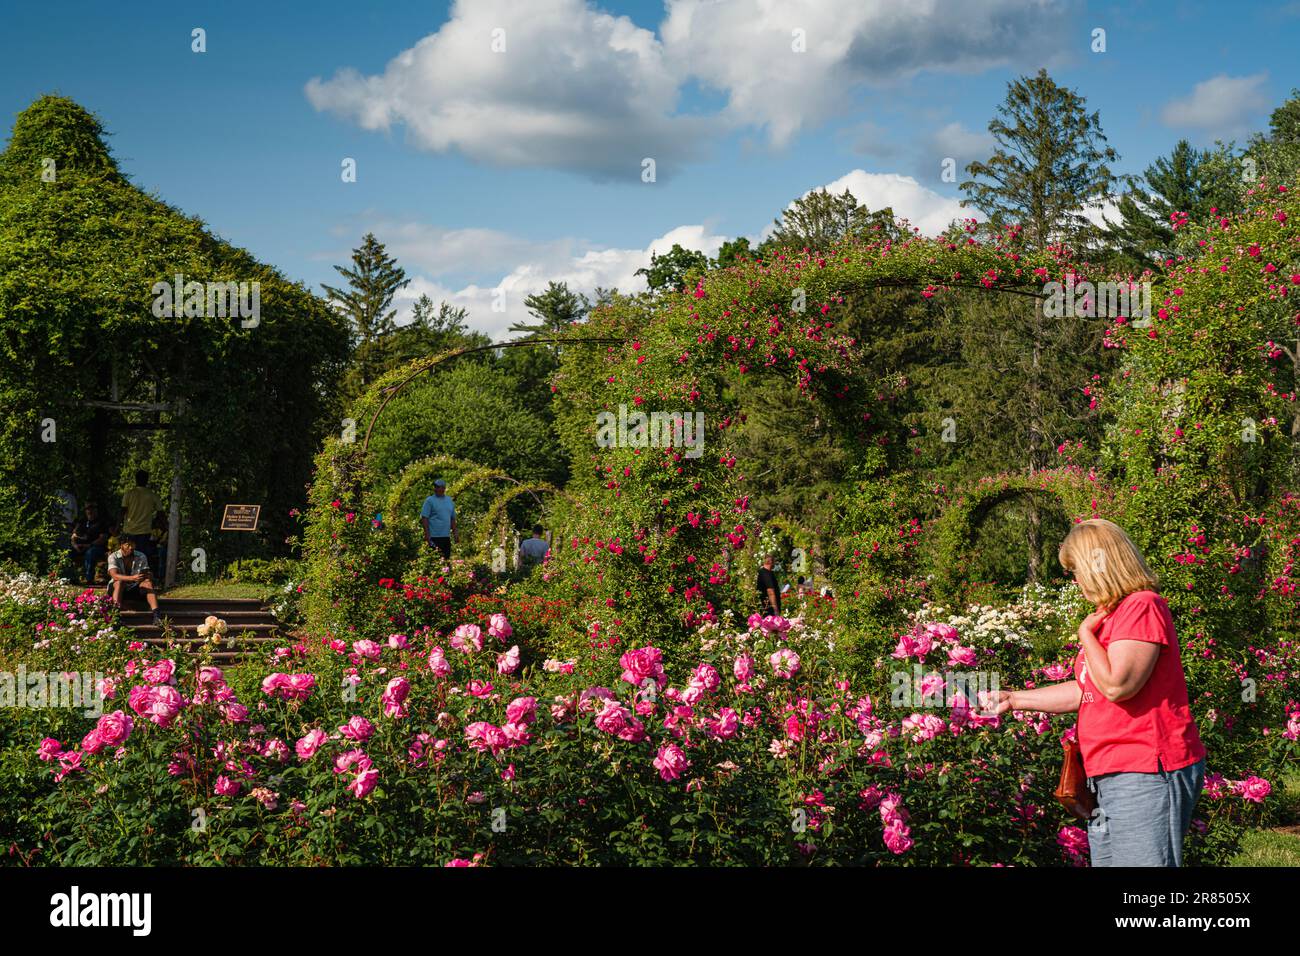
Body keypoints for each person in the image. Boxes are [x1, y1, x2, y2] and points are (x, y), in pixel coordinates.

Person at [992, 519, 1206, 867]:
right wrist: (1015, 699)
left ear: (1098, 564)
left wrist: (1085, 635)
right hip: (1109, 773)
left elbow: (1118, 685)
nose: (1075, 580)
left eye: (1076, 570)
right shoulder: (1110, 616)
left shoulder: (1142, 606)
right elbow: (1088, 688)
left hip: (1146, 768)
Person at [107, 537, 162, 625]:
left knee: (148, 583)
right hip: (116, 588)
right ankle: (115, 615)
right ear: (121, 546)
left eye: (132, 544)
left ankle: (157, 615)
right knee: (119, 582)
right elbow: (114, 575)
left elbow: (145, 572)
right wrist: (132, 578)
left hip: (135, 587)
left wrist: (148, 576)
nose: (131, 547)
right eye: (128, 545)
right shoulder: (113, 556)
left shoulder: (141, 556)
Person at [121, 469, 162, 565]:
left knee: (127, 556)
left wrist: (117, 526)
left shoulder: (129, 493)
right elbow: (161, 513)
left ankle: (129, 577)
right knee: (141, 557)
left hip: (129, 530)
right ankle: (140, 577)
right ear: (147, 480)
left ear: (136, 480)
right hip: (144, 531)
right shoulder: (152, 495)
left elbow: (122, 511)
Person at [70, 501, 110, 584]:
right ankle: (71, 578)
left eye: (92, 508)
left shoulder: (101, 522)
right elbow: (73, 536)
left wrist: (89, 545)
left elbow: (103, 538)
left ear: (96, 510)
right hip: (81, 546)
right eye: (87, 509)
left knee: (90, 553)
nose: (90, 511)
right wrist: (75, 546)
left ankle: (89, 579)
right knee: (68, 552)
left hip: (97, 547)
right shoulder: (82, 522)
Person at [420, 479, 456, 559]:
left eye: (438, 487)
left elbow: (452, 518)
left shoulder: (449, 500)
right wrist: (427, 534)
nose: (435, 489)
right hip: (434, 536)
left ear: (443, 488)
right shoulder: (429, 501)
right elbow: (424, 517)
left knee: (446, 560)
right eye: (435, 487)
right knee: (435, 560)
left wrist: (455, 533)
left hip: (446, 536)